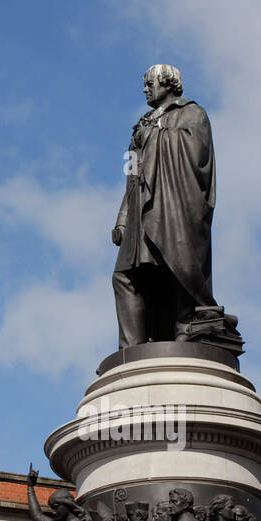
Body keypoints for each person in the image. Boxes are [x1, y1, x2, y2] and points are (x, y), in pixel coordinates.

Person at [111, 65, 219, 347]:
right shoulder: (142, 124)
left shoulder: (192, 113)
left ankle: (185, 331)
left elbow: (197, 154)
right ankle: (131, 350)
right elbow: (132, 174)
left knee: (174, 267)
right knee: (125, 276)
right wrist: (123, 218)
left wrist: (156, 135)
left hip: (172, 207)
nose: (145, 89)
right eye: (144, 84)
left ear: (168, 84)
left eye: (150, 83)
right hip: (139, 210)